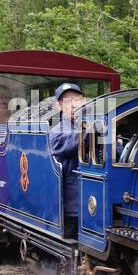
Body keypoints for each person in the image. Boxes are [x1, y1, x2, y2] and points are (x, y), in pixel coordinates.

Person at [48, 82, 87, 237]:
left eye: (76, 100)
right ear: (59, 106)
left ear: (84, 101)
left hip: (97, 202)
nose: (73, 105)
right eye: (67, 101)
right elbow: (76, 142)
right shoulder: (57, 132)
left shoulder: (92, 126)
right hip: (72, 205)